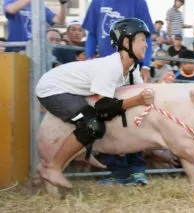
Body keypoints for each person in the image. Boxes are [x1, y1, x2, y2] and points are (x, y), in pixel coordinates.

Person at [35, 18, 154, 188]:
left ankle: (80, 153)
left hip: (71, 89)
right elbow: (103, 108)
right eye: (142, 39)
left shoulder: (132, 68)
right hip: (52, 87)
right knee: (93, 125)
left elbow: (139, 95)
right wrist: (137, 100)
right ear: (127, 41)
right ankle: (53, 168)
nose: (146, 45)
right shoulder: (111, 67)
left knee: (99, 122)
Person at [82, 0, 155, 83]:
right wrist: (88, 57)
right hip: (105, 66)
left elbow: (146, 36)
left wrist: (146, 66)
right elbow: (92, 34)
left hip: (131, 67)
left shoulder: (139, 2)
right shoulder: (97, 2)